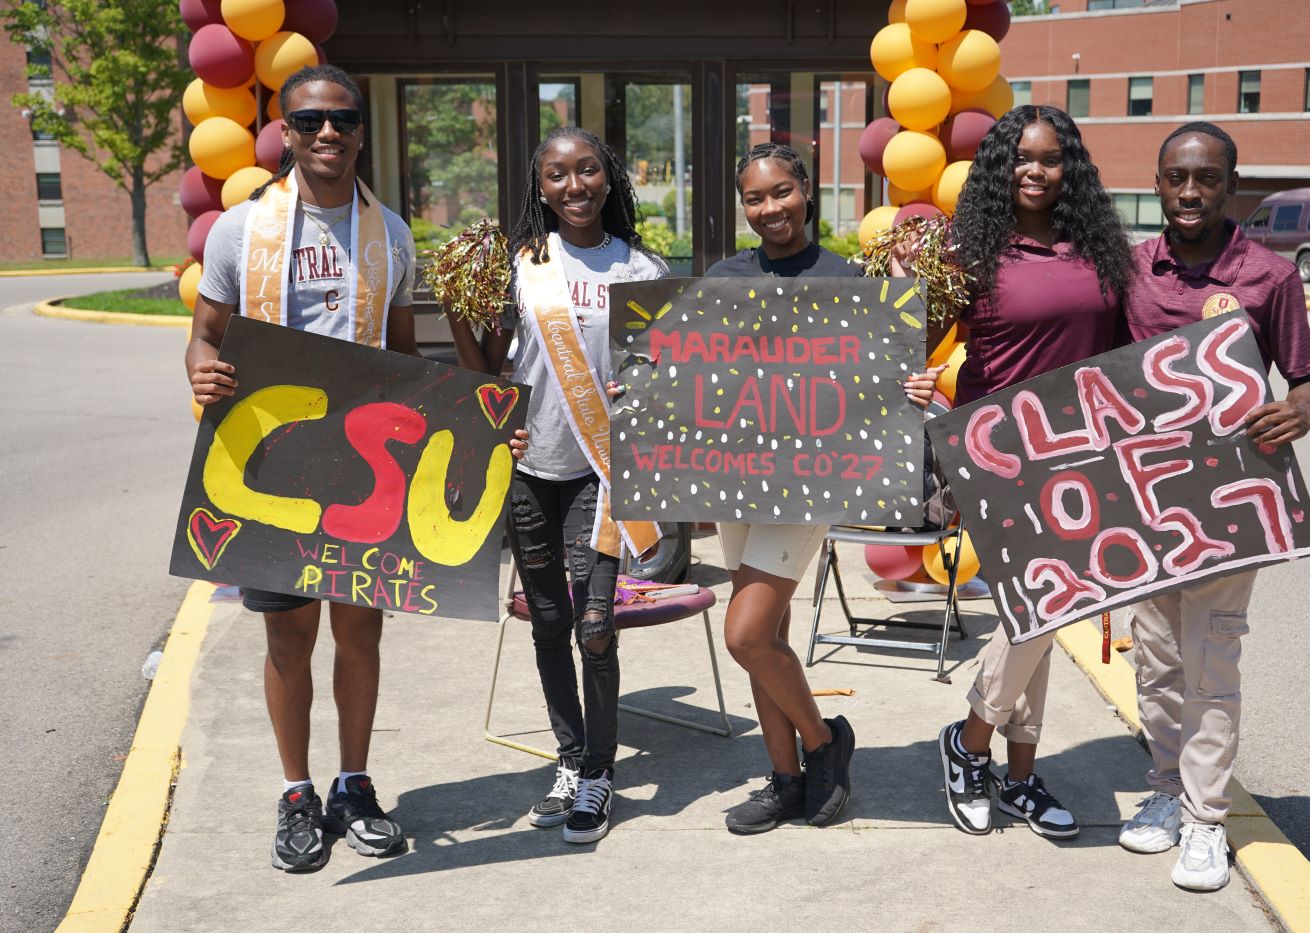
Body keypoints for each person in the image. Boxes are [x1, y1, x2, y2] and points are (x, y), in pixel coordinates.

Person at [188, 65, 424, 872]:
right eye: (313, 120)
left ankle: (354, 783)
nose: (330, 133)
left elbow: (401, 354)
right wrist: (200, 368)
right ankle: (297, 792)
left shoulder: (391, 232)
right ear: (285, 133)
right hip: (274, 466)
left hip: (363, 468)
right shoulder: (237, 232)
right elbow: (206, 332)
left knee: (360, 634)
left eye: (345, 119)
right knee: (290, 639)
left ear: (362, 131)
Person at [1117, 122, 1310, 891]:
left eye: (1206, 178)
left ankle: (1207, 819)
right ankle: (1169, 792)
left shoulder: (1269, 276)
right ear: (1159, 181)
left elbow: (1307, 378)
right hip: (1142, 506)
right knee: (1159, 660)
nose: (1191, 192)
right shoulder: (1131, 271)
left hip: (1231, 505)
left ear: (1231, 184)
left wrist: (1301, 410)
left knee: (1212, 660)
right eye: (1176, 177)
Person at [707, 142, 937, 835]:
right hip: (737, 477)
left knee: (744, 633)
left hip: (807, 482)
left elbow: (879, 378)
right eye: (755, 197)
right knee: (769, 635)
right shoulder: (724, 277)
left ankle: (822, 742)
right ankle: (783, 780)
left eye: (781, 191)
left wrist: (912, 376)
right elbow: (692, 369)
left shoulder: (844, 277)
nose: (769, 207)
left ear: (805, 191)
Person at [447, 126, 667, 845]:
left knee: (595, 628)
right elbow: (485, 370)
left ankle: (600, 773)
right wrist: (458, 313)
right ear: (538, 187)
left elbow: (664, 375)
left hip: (600, 471)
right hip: (527, 468)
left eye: (587, 171)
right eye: (556, 175)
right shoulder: (519, 265)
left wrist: (640, 389)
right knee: (547, 621)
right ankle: (569, 761)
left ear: (609, 178)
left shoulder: (640, 270)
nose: (573, 186)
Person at [934, 106, 1135, 841]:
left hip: (1083, 458)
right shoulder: (971, 254)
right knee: (1039, 611)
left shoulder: (1102, 251)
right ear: (997, 165)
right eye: (1020, 156)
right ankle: (975, 744)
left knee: (1043, 617)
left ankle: (1011, 772)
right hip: (998, 460)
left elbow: (1126, 354)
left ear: (1069, 168)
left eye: (1051, 158)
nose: (1035, 169)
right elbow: (906, 344)